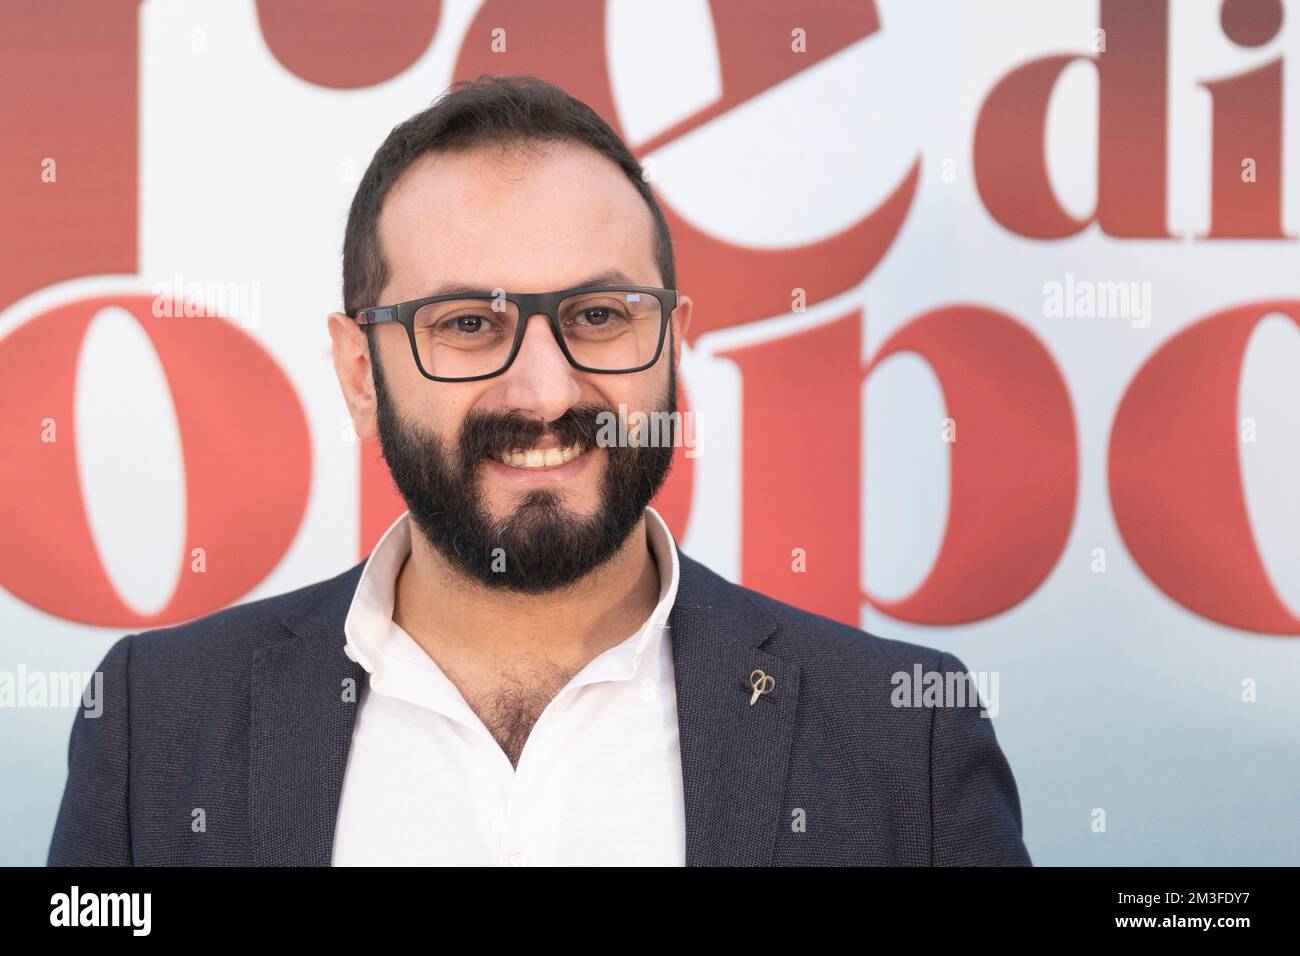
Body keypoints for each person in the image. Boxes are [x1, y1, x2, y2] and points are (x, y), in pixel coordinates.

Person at [48, 74, 1030, 866]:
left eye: (600, 317)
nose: (544, 389)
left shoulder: (902, 733)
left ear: (674, 346)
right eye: (467, 325)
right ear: (360, 374)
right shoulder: (158, 722)